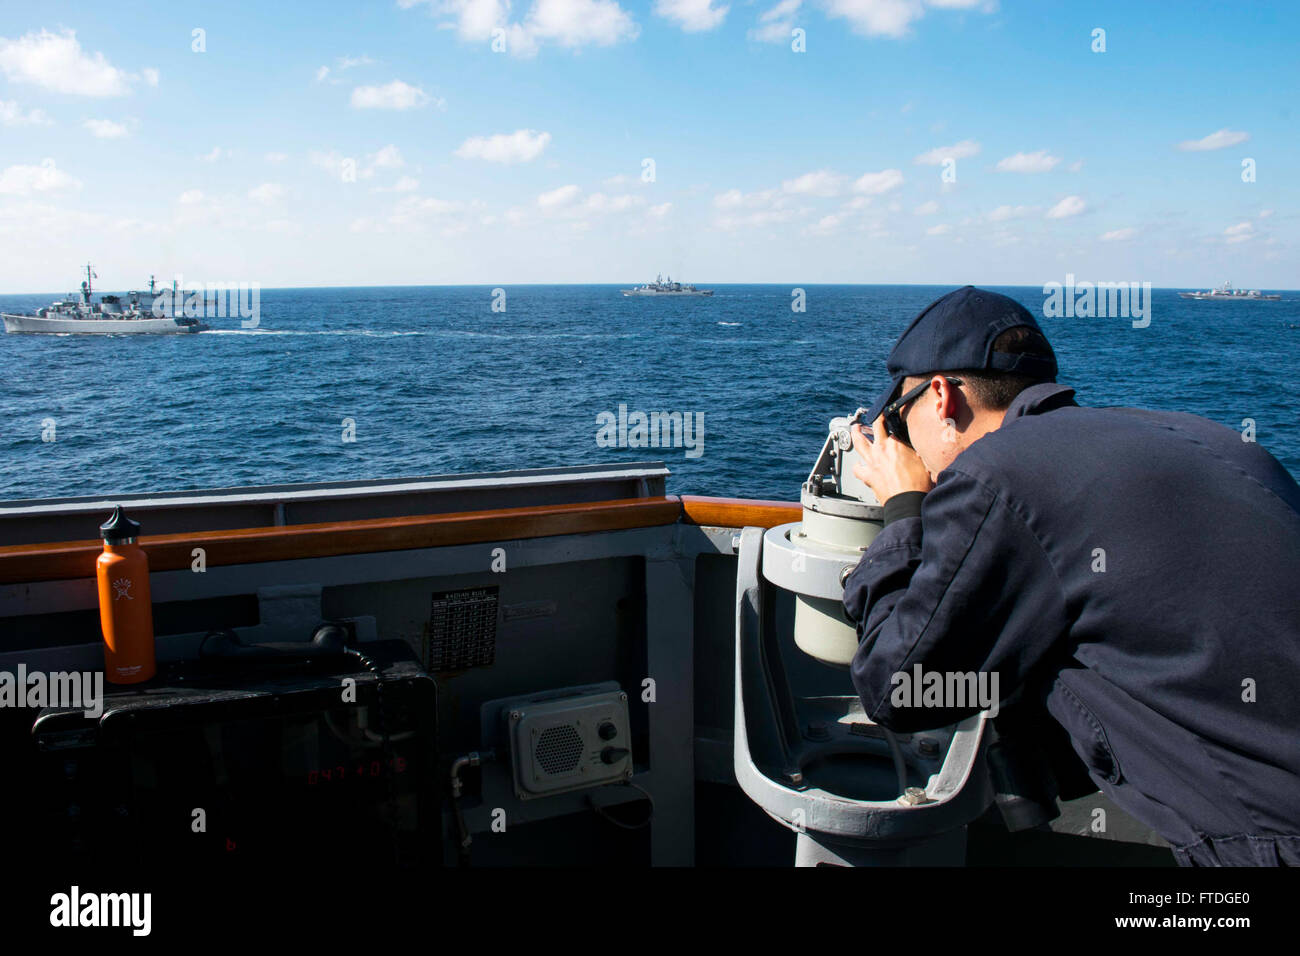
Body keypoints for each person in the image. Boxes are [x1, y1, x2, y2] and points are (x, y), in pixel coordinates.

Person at [841, 285, 1300, 866]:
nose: (907, 444)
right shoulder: (1217, 441)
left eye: (902, 420)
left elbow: (897, 689)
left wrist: (904, 508)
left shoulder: (998, 474)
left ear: (940, 398)